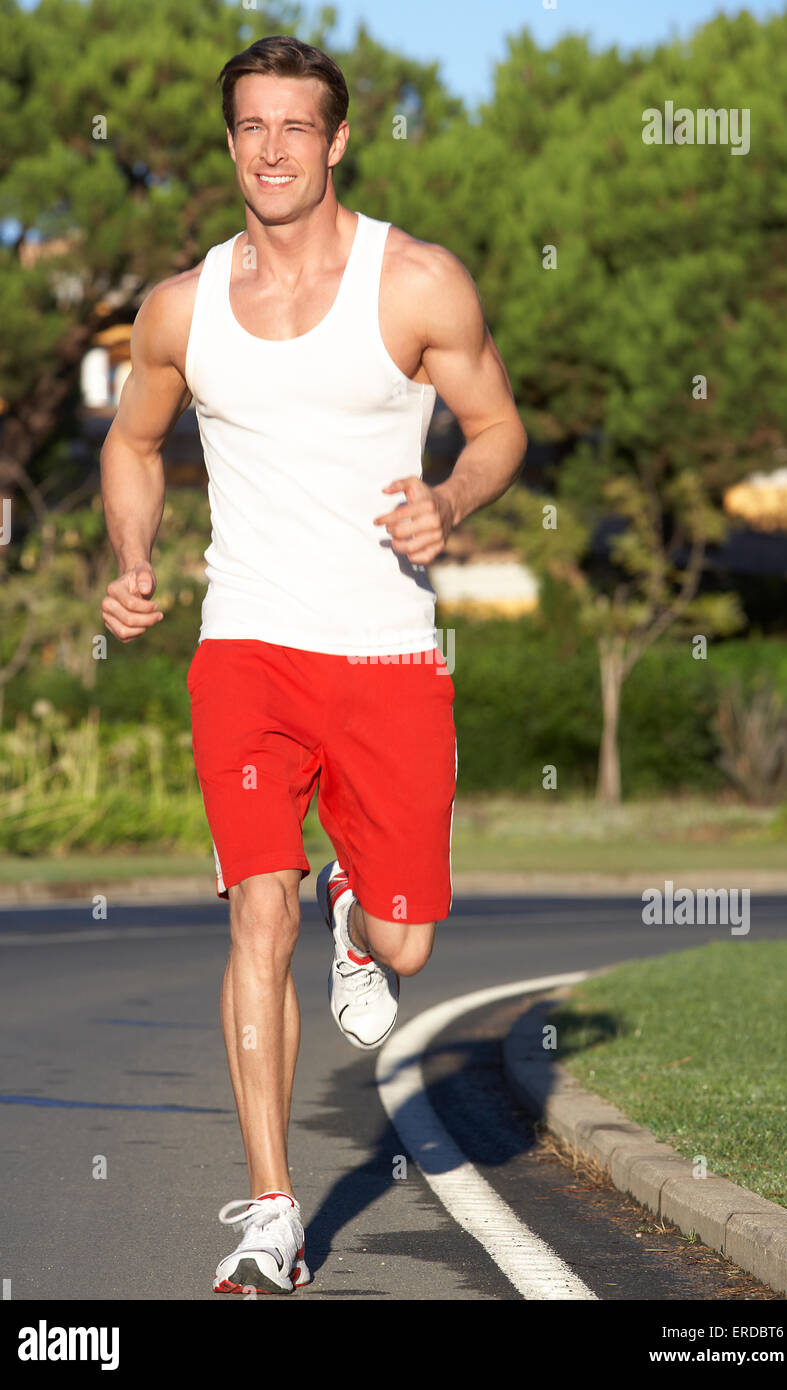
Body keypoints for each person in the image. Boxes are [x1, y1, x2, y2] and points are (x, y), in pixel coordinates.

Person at [100, 33, 527, 1296]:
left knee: (402, 947)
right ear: (229, 140)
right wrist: (133, 554)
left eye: (298, 127)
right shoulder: (179, 307)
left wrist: (448, 501)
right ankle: (274, 1214)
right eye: (252, 127)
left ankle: (360, 901)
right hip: (245, 646)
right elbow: (131, 443)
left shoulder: (415, 283)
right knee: (252, 908)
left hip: (387, 651)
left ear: (336, 140)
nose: (273, 149)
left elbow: (499, 427)